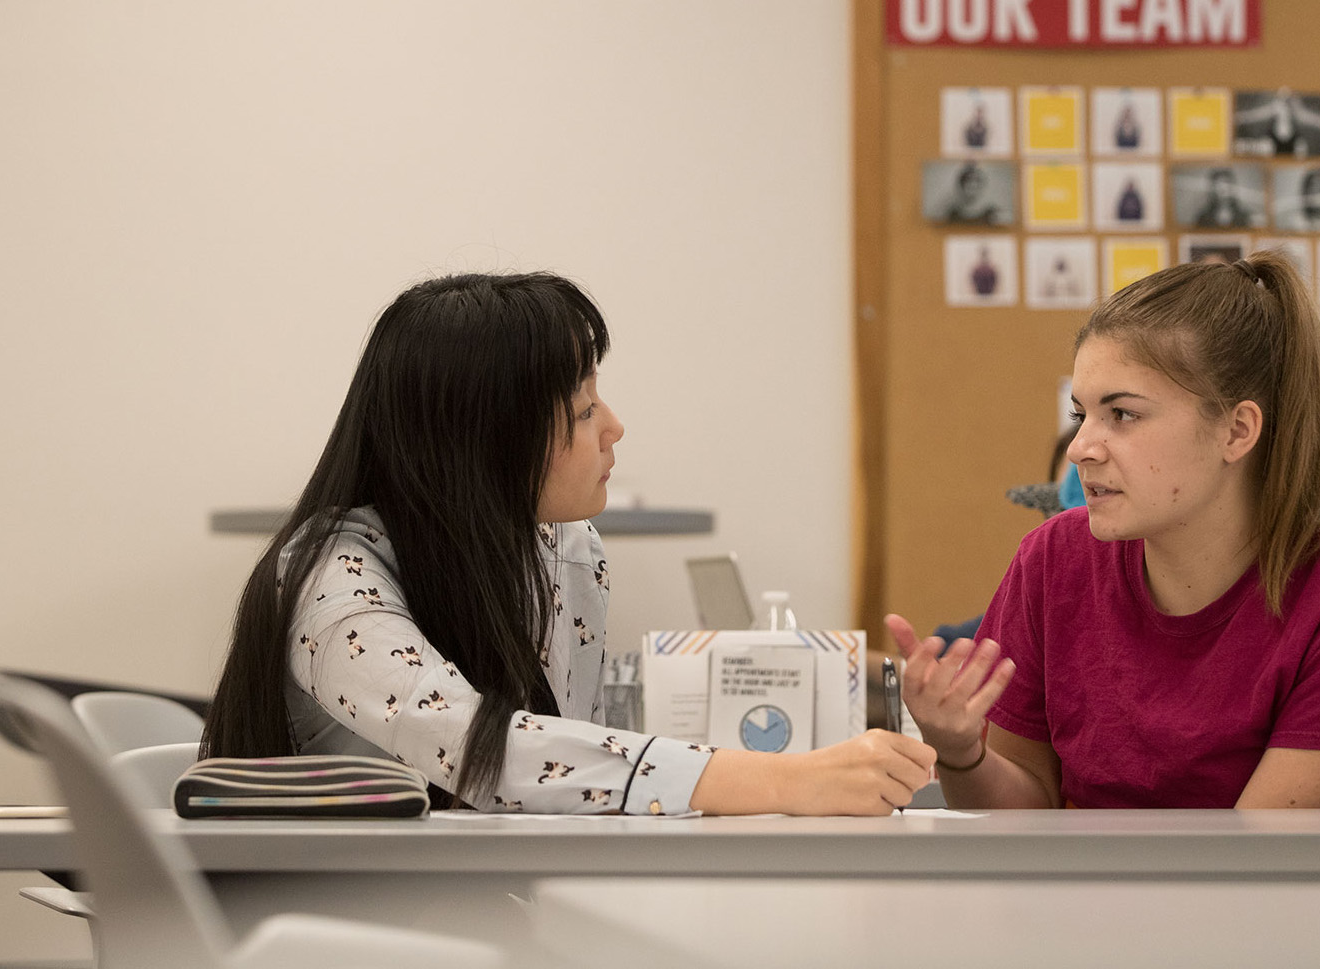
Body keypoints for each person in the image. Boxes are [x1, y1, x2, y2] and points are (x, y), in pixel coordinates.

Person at [200, 272, 933, 816]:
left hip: (470, 902)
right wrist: (783, 779)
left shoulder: (563, 547)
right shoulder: (329, 577)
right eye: (583, 409)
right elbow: (489, 752)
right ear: (488, 446)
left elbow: (567, 761)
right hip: (322, 924)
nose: (613, 426)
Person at [887, 252, 1320, 810]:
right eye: (1082, 415)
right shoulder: (1053, 559)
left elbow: (1256, 869)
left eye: (1122, 414)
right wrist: (959, 752)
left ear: (1237, 430)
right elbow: (1024, 818)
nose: (1080, 449)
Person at [1192, 168, 1257, 229]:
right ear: (1213, 190)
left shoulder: (1244, 216)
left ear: (1233, 188)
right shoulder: (1203, 217)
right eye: (1219, 186)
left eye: (1227, 185)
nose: (1223, 190)